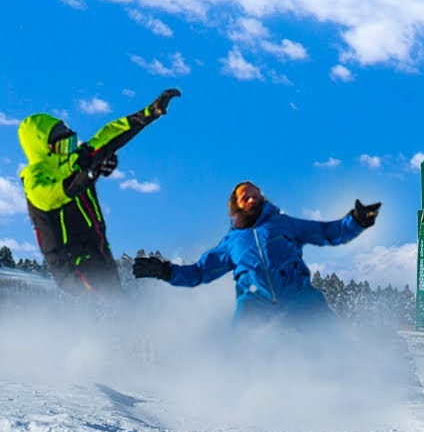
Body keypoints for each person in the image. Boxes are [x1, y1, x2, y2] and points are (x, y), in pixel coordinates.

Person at [131, 181, 381, 325]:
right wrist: (164, 271)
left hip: (299, 297)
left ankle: (356, 390)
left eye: (254, 194)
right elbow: (198, 272)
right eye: (244, 197)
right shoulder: (232, 242)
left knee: (330, 340)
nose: (251, 199)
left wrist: (357, 221)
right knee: (240, 353)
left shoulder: (282, 224)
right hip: (255, 305)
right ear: (236, 205)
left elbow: (327, 231)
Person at [17, 88, 181, 295]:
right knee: (106, 304)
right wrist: (89, 176)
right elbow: (54, 196)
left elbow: (109, 134)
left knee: (123, 309)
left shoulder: (76, 160)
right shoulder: (35, 177)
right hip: (72, 265)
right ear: (46, 148)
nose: (70, 150)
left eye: (71, 143)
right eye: (63, 145)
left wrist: (149, 113)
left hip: (98, 250)